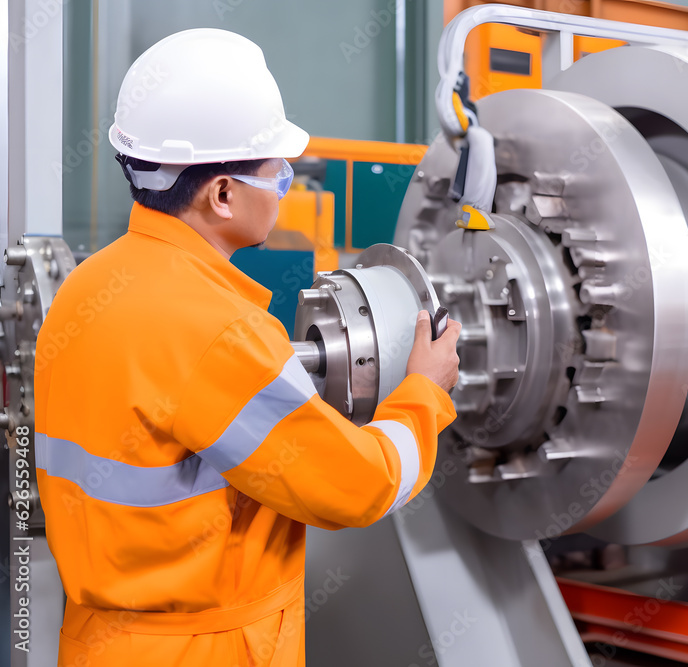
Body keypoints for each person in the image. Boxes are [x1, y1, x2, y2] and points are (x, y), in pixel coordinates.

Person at [34, 28, 460, 666]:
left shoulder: (86, 287)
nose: (285, 185)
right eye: (276, 171)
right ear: (223, 194)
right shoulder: (220, 332)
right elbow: (358, 486)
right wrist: (424, 391)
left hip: (100, 643)